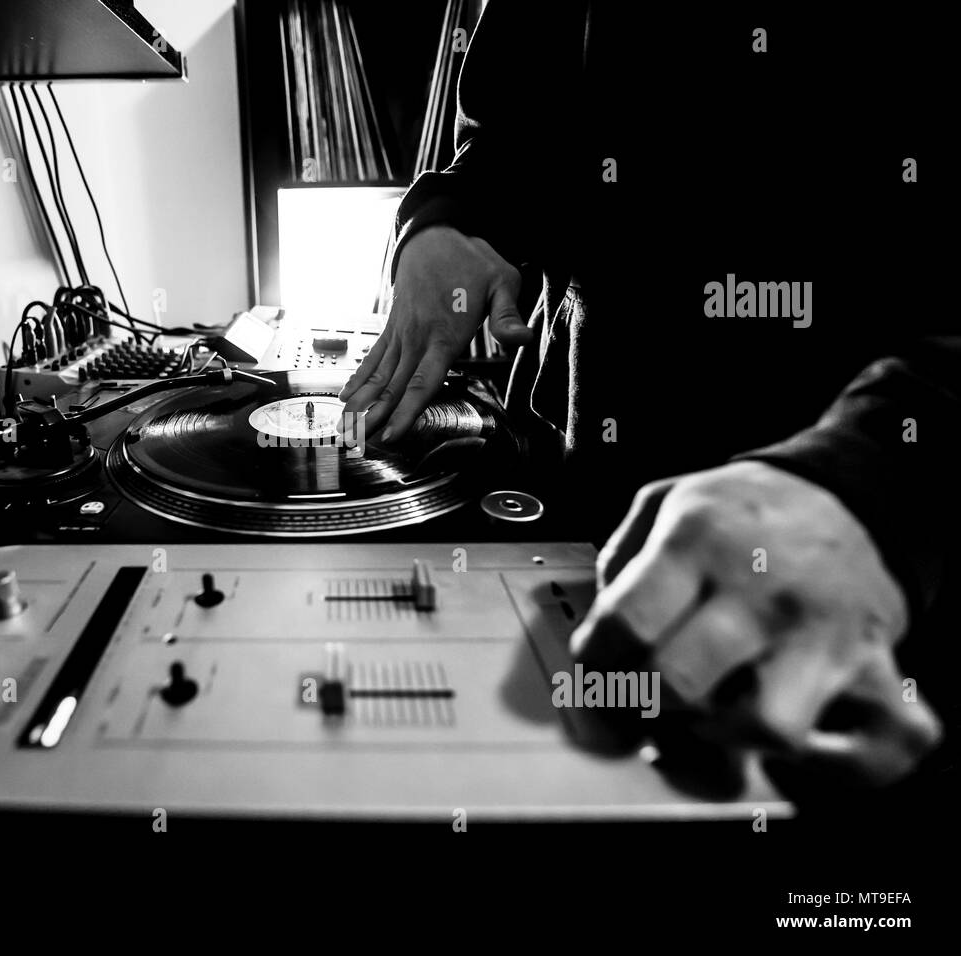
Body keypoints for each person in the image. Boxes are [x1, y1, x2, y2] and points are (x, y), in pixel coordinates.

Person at [339, 1, 957, 786]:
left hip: (858, 550)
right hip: (588, 488)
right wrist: (450, 222)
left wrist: (886, 469)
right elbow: (516, 133)